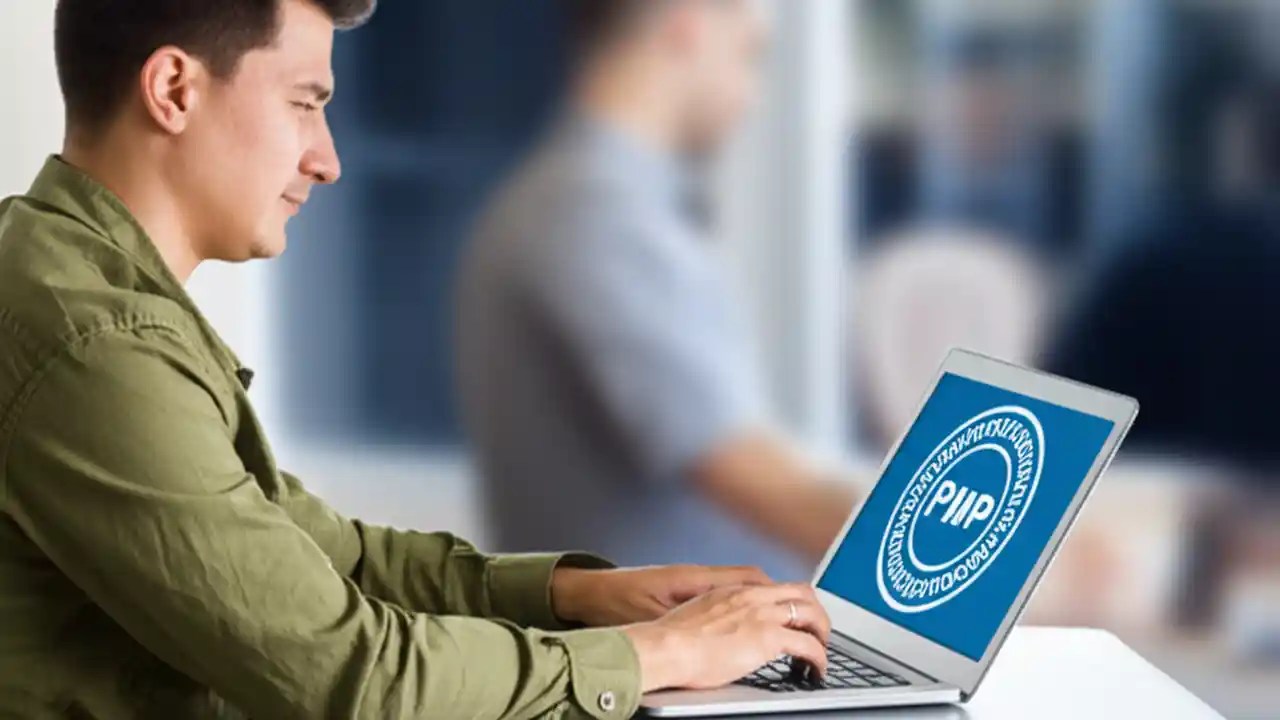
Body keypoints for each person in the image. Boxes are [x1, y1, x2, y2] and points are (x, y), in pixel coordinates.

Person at [0, 1, 834, 717]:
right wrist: (667, 657)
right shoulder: (96, 347)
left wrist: (576, 597)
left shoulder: (58, 270)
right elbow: (355, 677)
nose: (326, 159)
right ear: (175, 90)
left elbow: (336, 559)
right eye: (303, 103)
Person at [457, 0, 858, 583]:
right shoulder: (591, 214)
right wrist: (988, 565)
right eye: (750, 53)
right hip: (680, 659)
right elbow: (753, 477)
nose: (754, 94)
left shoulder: (583, 203)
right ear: (687, 23)